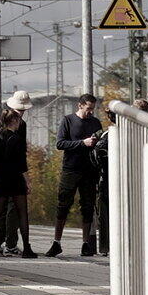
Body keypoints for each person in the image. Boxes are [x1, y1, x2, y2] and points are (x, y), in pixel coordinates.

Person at [47, 94, 106, 257]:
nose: (91, 112)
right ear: (79, 106)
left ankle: (86, 243)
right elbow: (60, 143)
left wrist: (97, 143)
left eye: (93, 109)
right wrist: (82, 143)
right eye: (88, 109)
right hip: (71, 169)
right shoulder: (68, 120)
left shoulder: (95, 122)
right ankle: (56, 242)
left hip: (90, 170)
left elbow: (100, 142)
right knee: (63, 205)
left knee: (87, 206)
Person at [0, 91, 38, 258]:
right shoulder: (17, 130)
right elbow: (21, 161)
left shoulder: (0, 134)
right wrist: (27, 180)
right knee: (20, 212)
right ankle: (19, 246)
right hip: (15, 177)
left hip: (1, 177)